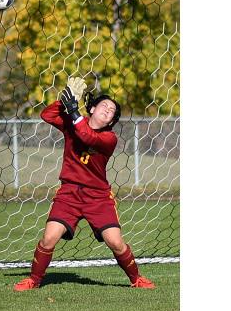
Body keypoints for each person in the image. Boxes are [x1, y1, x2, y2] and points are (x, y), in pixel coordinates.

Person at [13, 76, 155, 291]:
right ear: (92, 108)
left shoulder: (109, 139)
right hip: (69, 194)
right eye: (104, 105)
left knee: (116, 242)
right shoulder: (73, 122)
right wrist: (66, 101)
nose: (108, 110)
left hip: (98, 197)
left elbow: (87, 137)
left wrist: (74, 113)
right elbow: (46, 115)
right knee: (49, 238)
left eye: (112, 112)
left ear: (111, 122)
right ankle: (33, 280)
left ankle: (137, 279)